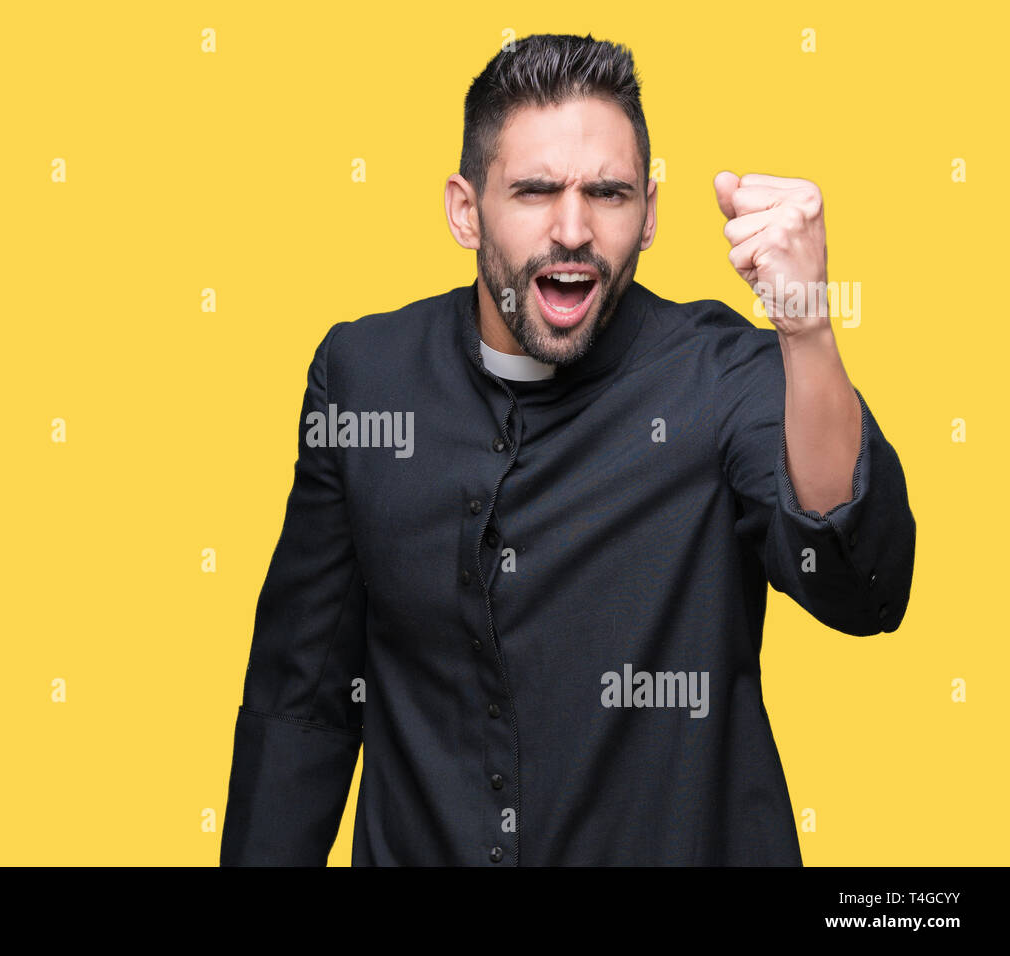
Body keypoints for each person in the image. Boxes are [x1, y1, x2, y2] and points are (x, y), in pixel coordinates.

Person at [219, 32, 916, 866]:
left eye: (610, 193)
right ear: (465, 209)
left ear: (649, 215)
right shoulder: (364, 377)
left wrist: (805, 328)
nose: (574, 228)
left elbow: (860, 586)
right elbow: (302, 699)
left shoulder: (724, 373)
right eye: (536, 190)